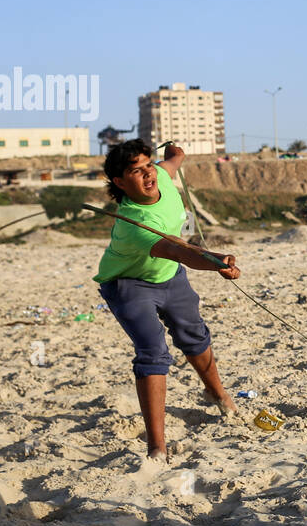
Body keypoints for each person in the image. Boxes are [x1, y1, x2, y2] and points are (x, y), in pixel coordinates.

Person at [93, 139, 240, 461]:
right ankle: (157, 447)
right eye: (136, 171)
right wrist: (216, 261)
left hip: (168, 276)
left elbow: (173, 160)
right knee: (153, 353)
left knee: (194, 335)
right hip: (128, 285)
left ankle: (215, 393)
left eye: (148, 165)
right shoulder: (134, 223)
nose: (148, 174)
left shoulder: (160, 174)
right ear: (119, 182)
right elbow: (178, 250)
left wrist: (174, 152)